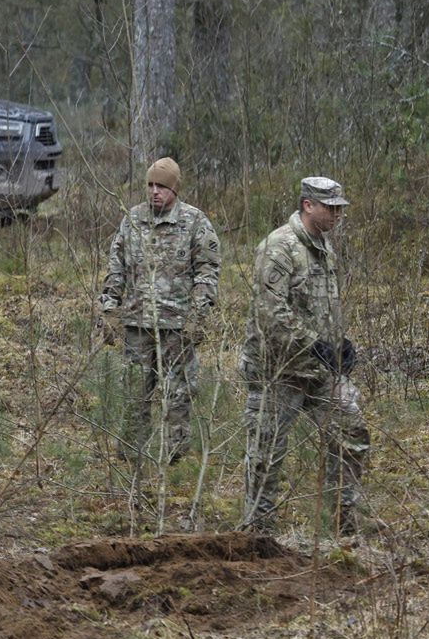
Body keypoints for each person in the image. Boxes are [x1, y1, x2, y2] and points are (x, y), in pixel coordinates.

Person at [241, 176, 371, 535]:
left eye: (339, 208)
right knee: (266, 456)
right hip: (277, 370)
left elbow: (321, 305)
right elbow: (270, 314)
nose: (336, 215)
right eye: (329, 208)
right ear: (307, 205)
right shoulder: (279, 247)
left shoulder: (324, 247)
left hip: (318, 371)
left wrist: (339, 341)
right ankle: (258, 534)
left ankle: (340, 527)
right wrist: (315, 342)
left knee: (352, 432)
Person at [98, 157, 220, 464]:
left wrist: (197, 316)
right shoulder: (133, 219)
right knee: (134, 394)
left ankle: (174, 460)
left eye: (162, 187)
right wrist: (110, 309)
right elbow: (116, 268)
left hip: (177, 329)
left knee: (177, 397)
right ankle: (130, 459)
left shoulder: (194, 222)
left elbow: (207, 273)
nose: (154, 192)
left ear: (175, 189)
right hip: (137, 326)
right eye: (151, 185)